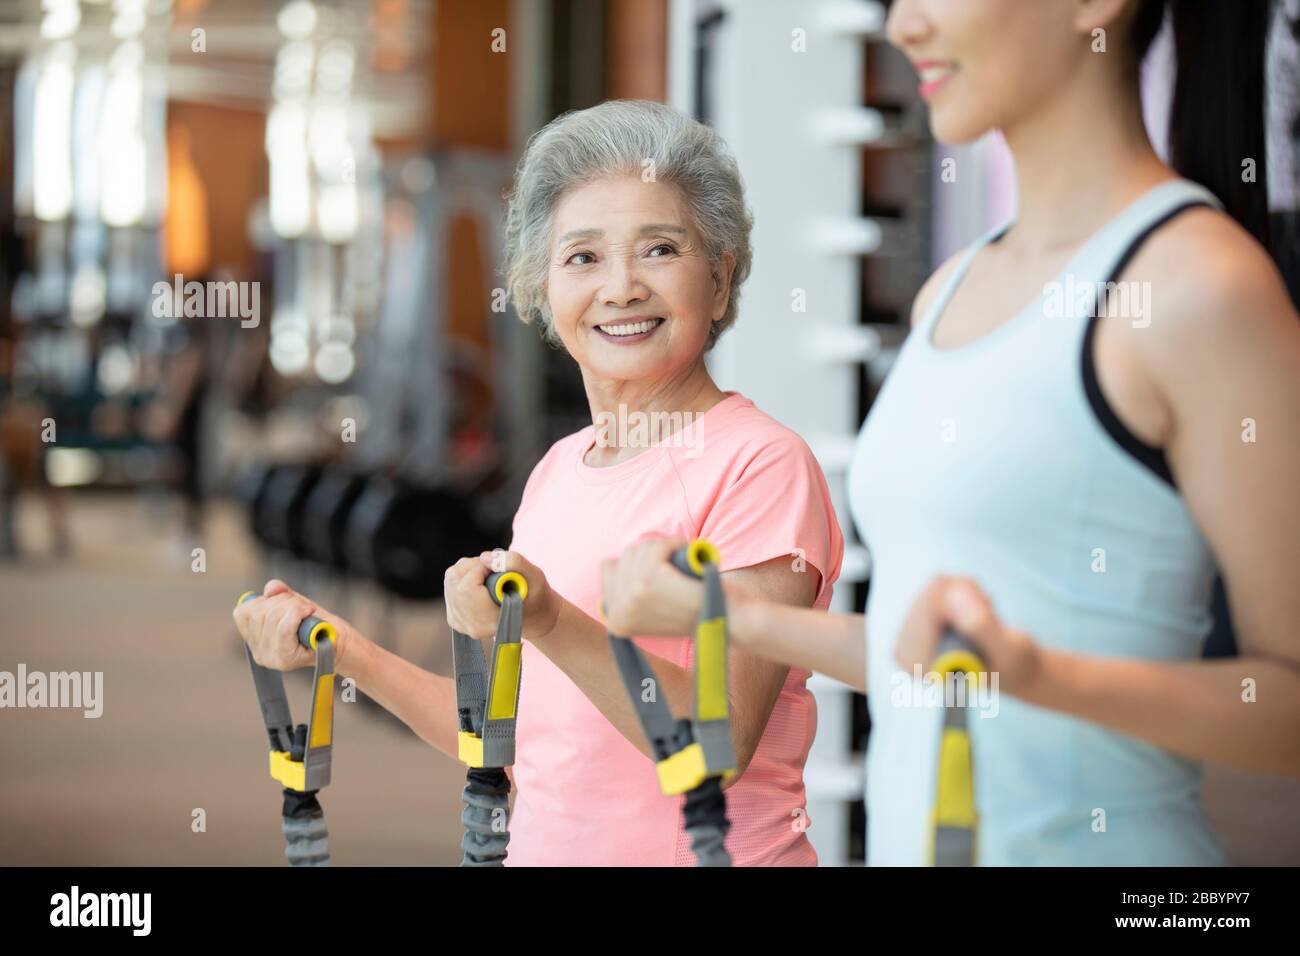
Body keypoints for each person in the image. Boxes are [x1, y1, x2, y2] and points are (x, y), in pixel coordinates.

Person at [603, 0, 1300, 865]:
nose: (904, 26)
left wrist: (1039, 677)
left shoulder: (1196, 285)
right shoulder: (952, 292)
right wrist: (736, 615)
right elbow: (929, 662)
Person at [234, 100, 845, 866]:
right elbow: (512, 735)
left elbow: (715, 740)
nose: (621, 287)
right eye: (583, 257)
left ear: (719, 281)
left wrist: (552, 619)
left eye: (659, 249)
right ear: (543, 292)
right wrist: (340, 646)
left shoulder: (762, 466)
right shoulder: (559, 472)